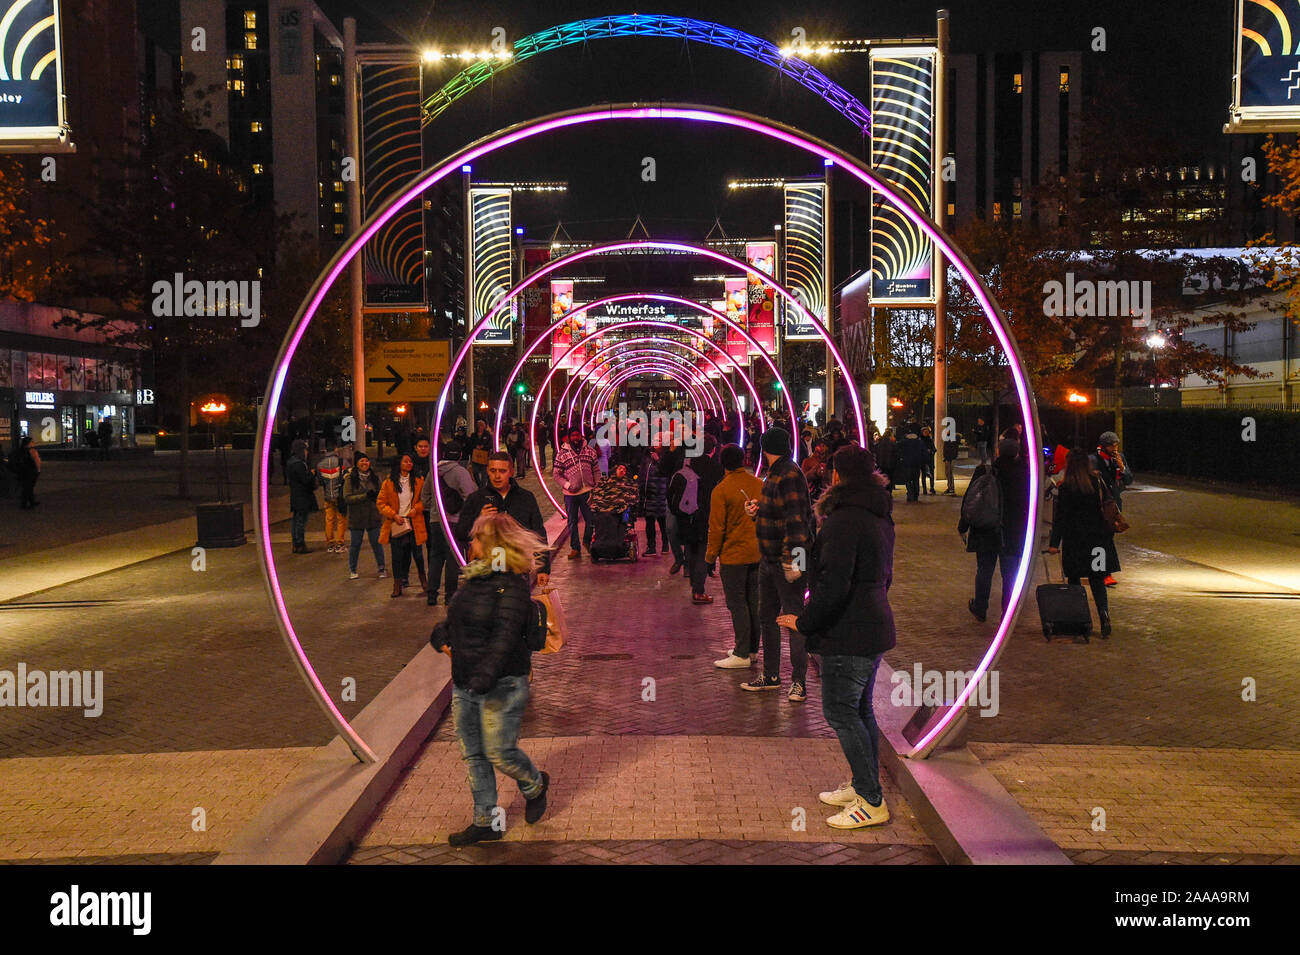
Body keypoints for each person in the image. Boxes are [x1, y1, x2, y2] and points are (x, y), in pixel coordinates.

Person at [778, 446, 895, 829]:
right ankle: (863, 785)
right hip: (872, 624)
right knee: (859, 710)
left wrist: (805, 622)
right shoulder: (878, 515)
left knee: (841, 711)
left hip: (848, 632)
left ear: (839, 477)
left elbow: (835, 584)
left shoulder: (843, 520)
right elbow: (876, 573)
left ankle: (871, 801)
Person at [430, 511, 551, 846]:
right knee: (474, 755)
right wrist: (442, 633)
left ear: (493, 543)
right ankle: (486, 821)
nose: (471, 543)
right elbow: (459, 619)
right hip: (465, 682)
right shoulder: (473, 578)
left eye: (476, 537)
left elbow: (506, 634)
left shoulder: (510, 582)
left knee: (498, 752)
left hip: (503, 683)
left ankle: (534, 784)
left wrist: (485, 675)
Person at [740, 428, 813, 702]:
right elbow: (781, 515)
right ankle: (771, 676)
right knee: (767, 617)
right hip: (770, 559)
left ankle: (798, 682)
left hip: (787, 560)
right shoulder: (777, 474)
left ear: (765, 448)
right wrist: (756, 512)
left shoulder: (789, 475)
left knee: (793, 619)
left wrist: (794, 561)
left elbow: (797, 522)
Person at [958, 438, 1030, 623]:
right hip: (1013, 531)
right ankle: (1008, 611)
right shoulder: (1024, 474)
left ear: (998, 452)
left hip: (986, 529)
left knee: (984, 569)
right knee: (1010, 573)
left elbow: (971, 499)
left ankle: (980, 607)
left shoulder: (985, 471)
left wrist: (963, 525)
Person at [456, 451, 552, 588]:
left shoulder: (525, 498)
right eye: (493, 470)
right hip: (486, 574)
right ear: (487, 471)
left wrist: (543, 569)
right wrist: (479, 519)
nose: (497, 476)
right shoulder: (476, 499)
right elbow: (460, 532)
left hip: (518, 570)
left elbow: (538, 533)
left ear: (511, 472)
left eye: (502, 471)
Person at [1048, 449, 1117, 637]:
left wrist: (1054, 543)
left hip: (1075, 541)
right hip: (1098, 540)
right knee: (1097, 579)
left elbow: (1060, 518)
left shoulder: (1066, 487)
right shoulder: (1096, 482)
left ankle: (1081, 619)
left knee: (1074, 580)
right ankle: (1104, 615)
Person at [708, 443, 764, 668]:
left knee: (737, 603)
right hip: (757, 553)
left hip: (733, 555)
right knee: (753, 602)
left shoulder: (721, 490)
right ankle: (751, 649)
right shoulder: (759, 484)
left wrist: (710, 557)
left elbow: (716, 528)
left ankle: (740, 653)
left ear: (723, 463)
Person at [422, 442, 478, 606]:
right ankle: (450, 595)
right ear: (460, 455)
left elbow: (425, 496)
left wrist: (434, 510)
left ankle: (432, 595)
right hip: (454, 522)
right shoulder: (461, 472)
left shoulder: (433, 472)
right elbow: (471, 496)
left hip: (435, 521)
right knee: (452, 558)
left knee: (435, 557)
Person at [668, 437, 721, 604]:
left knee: (691, 549)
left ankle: (692, 581)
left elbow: (671, 490)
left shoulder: (687, 462)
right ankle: (698, 591)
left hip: (686, 516)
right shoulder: (715, 468)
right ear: (712, 450)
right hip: (705, 516)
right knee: (702, 553)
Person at [378, 453, 427, 598]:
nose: (409, 464)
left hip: (413, 522)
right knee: (397, 556)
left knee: (418, 555)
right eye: (406, 461)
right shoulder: (389, 482)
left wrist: (415, 509)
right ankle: (397, 585)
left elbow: (424, 499)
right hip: (397, 522)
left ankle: (425, 583)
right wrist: (393, 515)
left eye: (411, 461)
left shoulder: (419, 481)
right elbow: (381, 502)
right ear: (398, 464)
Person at [1091, 430, 1132, 587]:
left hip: (1113, 505)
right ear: (1104, 446)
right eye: (1111, 446)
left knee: (1107, 538)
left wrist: (1122, 468)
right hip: (1099, 505)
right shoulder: (1094, 459)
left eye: (1116, 445)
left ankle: (1101, 571)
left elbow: (1128, 479)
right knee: (1102, 538)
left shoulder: (1119, 458)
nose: (1115, 448)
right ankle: (1102, 572)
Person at [552, 428, 600, 560]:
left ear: (581, 436)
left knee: (591, 519)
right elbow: (556, 474)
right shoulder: (562, 454)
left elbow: (596, 469)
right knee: (572, 522)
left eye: (577, 435)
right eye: (573, 435)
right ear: (569, 437)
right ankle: (575, 548)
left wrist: (596, 485)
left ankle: (587, 541)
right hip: (570, 494)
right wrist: (567, 485)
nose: (576, 438)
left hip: (587, 491)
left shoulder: (590, 451)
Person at [343, 452, 386, 579]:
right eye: (361, 461)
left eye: (366, 461)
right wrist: (365, 496)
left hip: (373, 515)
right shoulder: (350, 478)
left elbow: (382, 494)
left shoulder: (375, 477)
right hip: (357, 516)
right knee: (355, 544)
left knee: (377, 543)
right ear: (356, 464)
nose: (364, 463)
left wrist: (376, 495)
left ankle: (382, 567)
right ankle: (353, 569)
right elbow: (347, 497)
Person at [315, 439, 348, 554]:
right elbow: (347, 477)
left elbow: (320, 481)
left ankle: (330, 544)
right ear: (336, 449)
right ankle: (340, 543)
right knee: (341, 519)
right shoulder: (342, 462)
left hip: (327, 496)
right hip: (340, 496)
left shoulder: (320, 465)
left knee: (329, 520)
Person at [286, 439, 318, 554]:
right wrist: (312, 474)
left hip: (295, 495)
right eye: (305, 449)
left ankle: (296, 543)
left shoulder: (290, 462)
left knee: (296, 520)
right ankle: (300, 543)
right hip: (302, 496)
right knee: (301, 521)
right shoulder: (299, 464)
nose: (306, 452)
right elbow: (305, 480)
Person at [640, 446, 671, 557]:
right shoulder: (647, 458)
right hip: (649, 495)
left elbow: (666, 471)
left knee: (663, 523)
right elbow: (643, 474)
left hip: (662, 494)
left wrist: (658, 460)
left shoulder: (665, 457)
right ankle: (651, 547)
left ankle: (665, 545)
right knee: (649, 522)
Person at [896, 424, 927, 503]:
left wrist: (901, 457)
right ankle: (916, 495)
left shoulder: (904, 442)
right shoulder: (920, 442)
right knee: (916, 479)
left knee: (908, 480)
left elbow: (896, 448)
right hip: (917, 464)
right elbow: (924, 453)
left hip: (906, 463)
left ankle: (910, 494)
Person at [9, 436, 41, 509]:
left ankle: (31, 501)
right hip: (28, 472)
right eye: (32, 442)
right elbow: (32, 462)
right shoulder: (27, 451)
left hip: (26, 472)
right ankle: (24, 504)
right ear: (28, 443)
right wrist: (36, 470)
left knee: (29, 487)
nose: (33, 443)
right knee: (27, 488)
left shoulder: (23, 450)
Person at [467, 419, 493, 486]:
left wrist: (483, 447)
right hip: (475, 456)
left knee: (484, 473)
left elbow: (490, 445)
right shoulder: (473, 435)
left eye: (481, 426)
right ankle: (479, 484)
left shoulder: (487, 435)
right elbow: (470, 444)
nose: (480, 427)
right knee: (475, 472)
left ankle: (483, 486)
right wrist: (475, 447)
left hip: (484, 456)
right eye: (479, 426)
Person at [920, 426, 938, 495]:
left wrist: (932, 451)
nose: (926, 433)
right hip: (923, 460)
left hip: (930, 459)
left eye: (927, 432)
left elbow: (934, 448)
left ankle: (932, 487)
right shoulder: (920, 441)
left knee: (931, 474)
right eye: (925, 432)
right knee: (924, 475)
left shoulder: (930, 440)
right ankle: (924, 489)